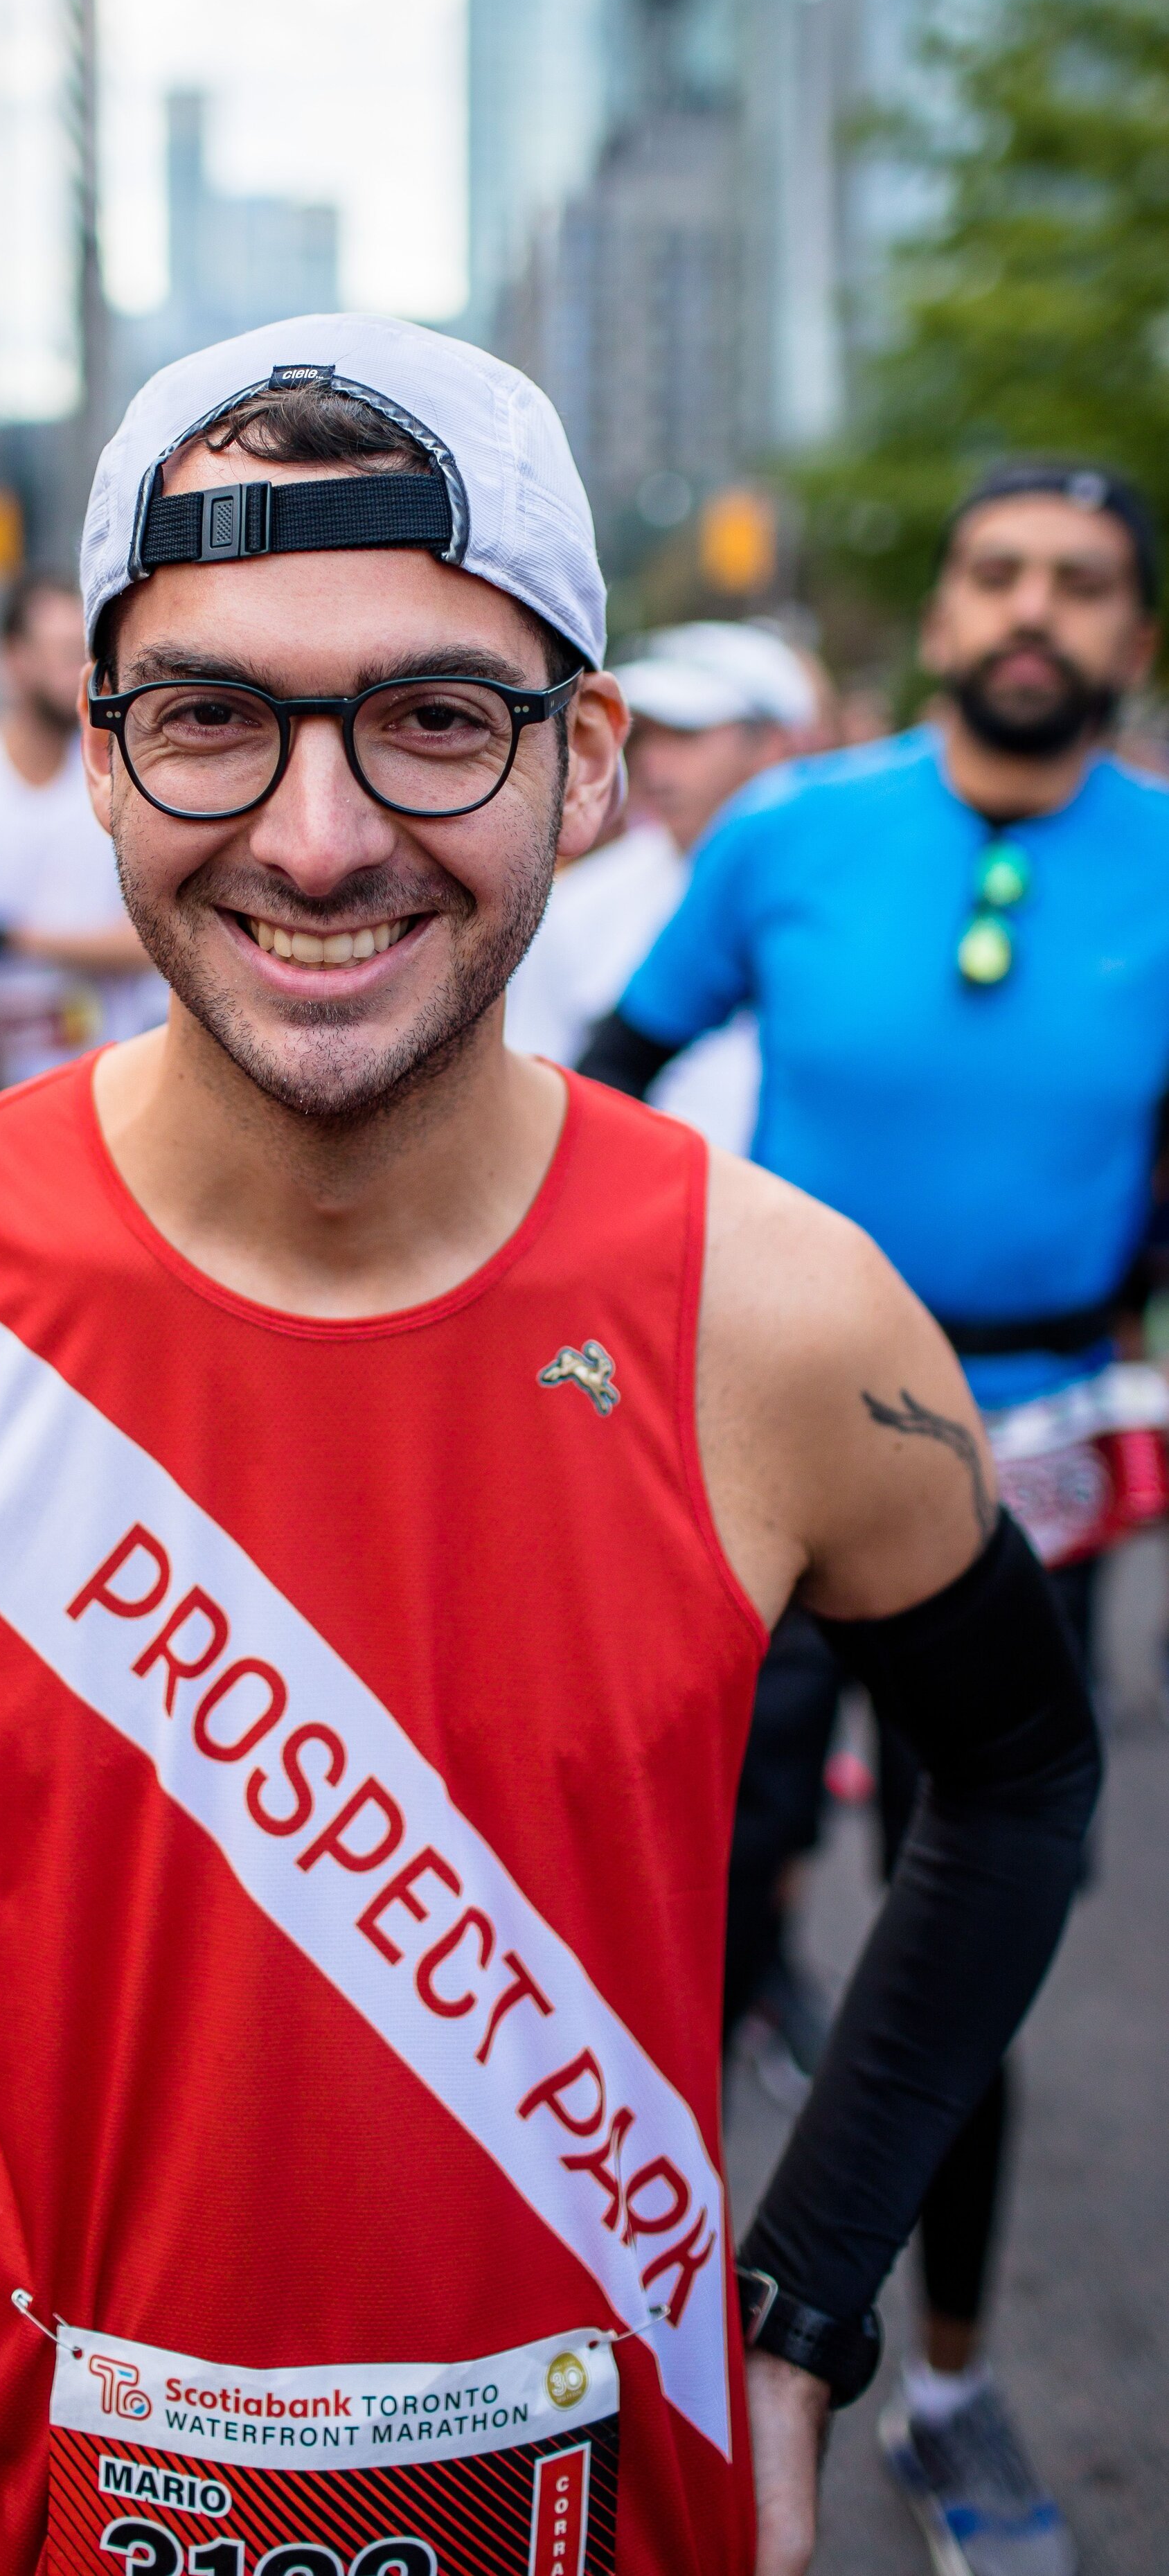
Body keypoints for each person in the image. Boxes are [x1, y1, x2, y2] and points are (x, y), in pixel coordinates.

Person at [0, 323, 1097, 2576]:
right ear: (95, 756)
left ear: (589, 764)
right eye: (212, 719)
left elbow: (1023, 1775)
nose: (321, 835)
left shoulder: (783, 1319)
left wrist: (800, 2318)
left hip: (606, 2507)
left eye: (436, 718)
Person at [585, 458, 1169, 2575]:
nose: (1031, 610)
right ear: (939, 609)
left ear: (1127, 633)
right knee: (663, 1896)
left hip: (1019, 1477)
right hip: (746, 1445)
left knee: (961, 1942)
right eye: (996, 570)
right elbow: (601, 1073)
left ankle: (929, 2374)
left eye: (1080, 584)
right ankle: (625, 2335)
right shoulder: (789, 837)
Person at [506, 621, 819, 1153]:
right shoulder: (578, 909)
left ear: (774, 745)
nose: (654, 762)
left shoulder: (860, 894)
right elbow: (534, 1110)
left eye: (688, 734)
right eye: (648, 734)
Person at [0, 569, 164, 1083]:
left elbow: (158, 938)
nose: (82, 672)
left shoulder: (118, 769)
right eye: (65, 654)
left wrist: (11, 938)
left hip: (109, 1075)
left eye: (88, 654)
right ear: (11, 661)